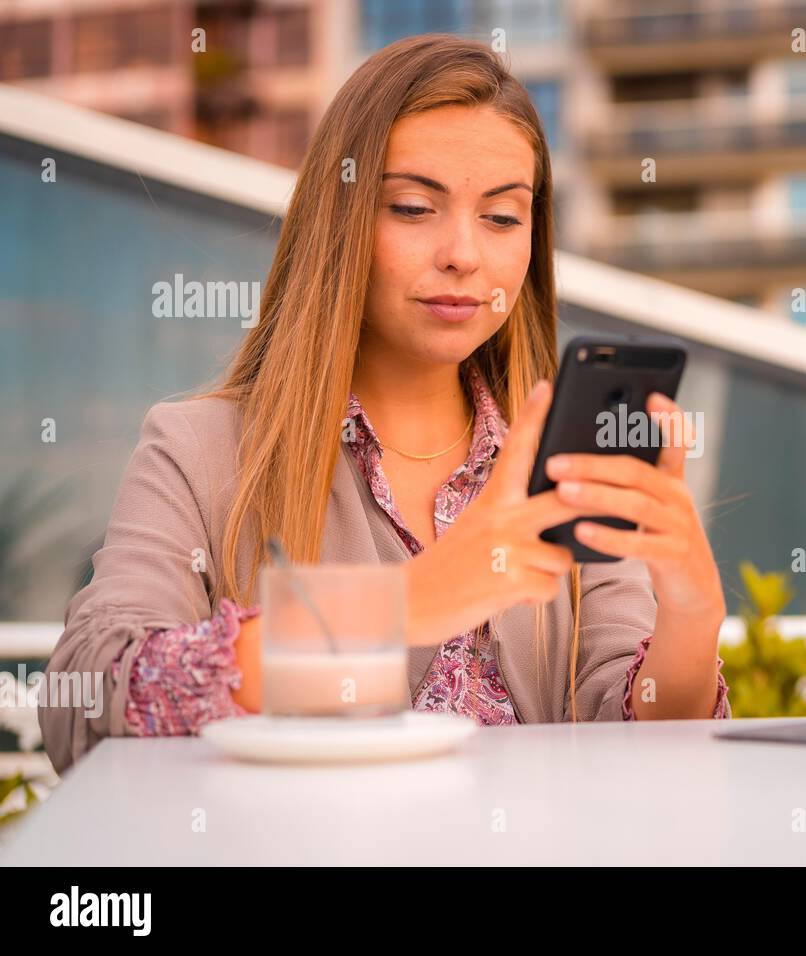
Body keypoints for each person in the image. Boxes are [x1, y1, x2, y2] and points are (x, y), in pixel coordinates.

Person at [39, 34, 730, 774]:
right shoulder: (199, 449)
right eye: (412, 207)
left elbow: (639, 742)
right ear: (340, 222)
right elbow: (88, 701)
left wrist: (692, 615)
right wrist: (402, 605)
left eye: (502, 217)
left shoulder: (559, 463)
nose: (463, 253)